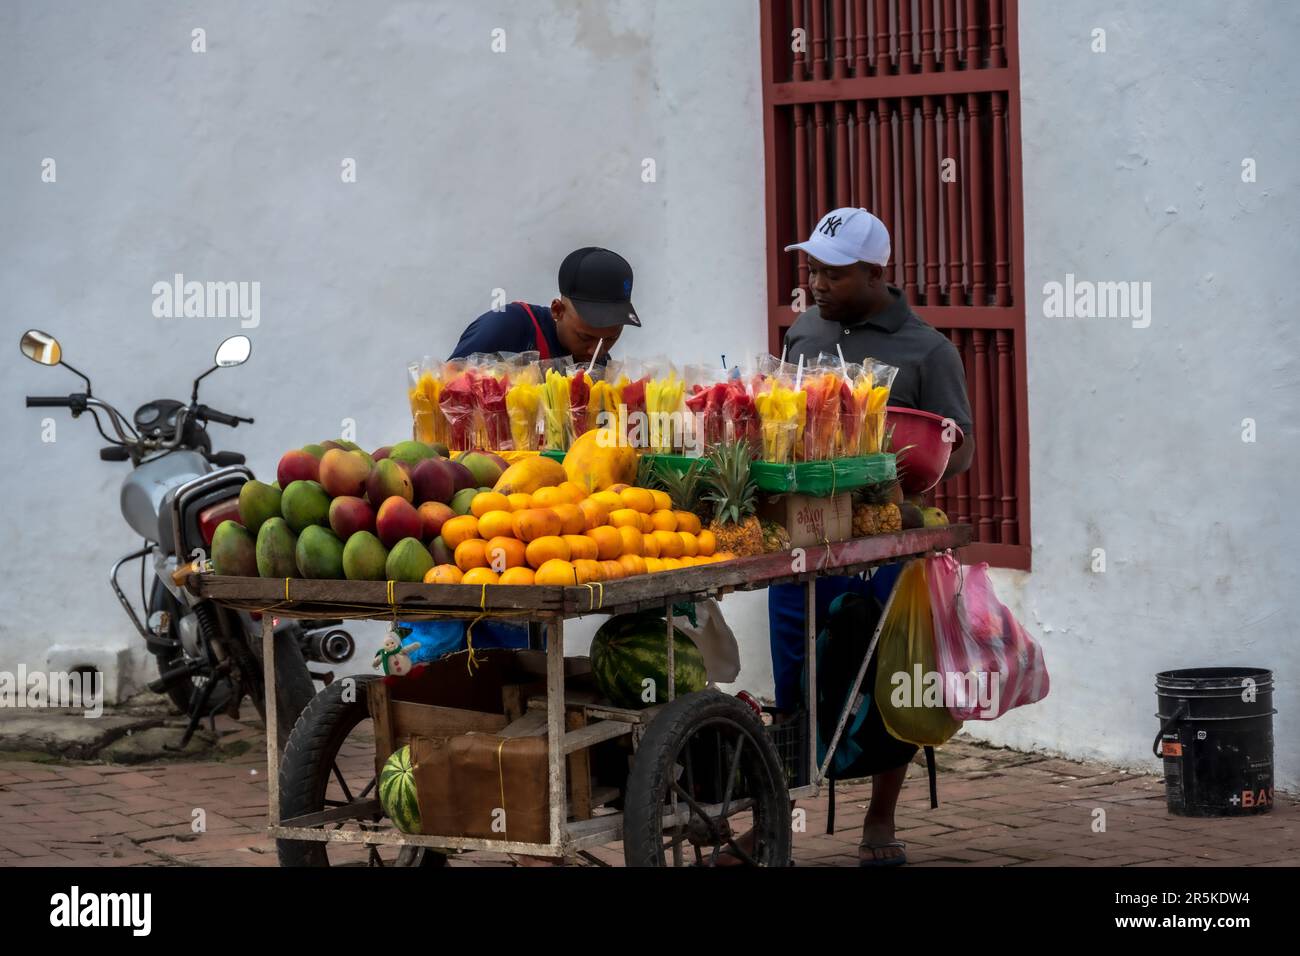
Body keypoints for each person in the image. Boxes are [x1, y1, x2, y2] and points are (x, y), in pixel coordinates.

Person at [771, 206, 975, 867]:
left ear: (873, 272)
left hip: (887, 538)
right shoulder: (804, 333)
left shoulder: (928, 351)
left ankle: (880, 819)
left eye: (830, 273)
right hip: (804, 535)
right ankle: (775, 816)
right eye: (812, 270)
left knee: (889, 677)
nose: (817, 284)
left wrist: (914, 450)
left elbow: (958, 451)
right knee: (799, 681)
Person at [450, 246, 641, 364]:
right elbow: (443, 391)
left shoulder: (598, 363)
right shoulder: (507, 326)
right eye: (585, 337)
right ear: (557, 310)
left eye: (610, 339)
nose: (596, 351)